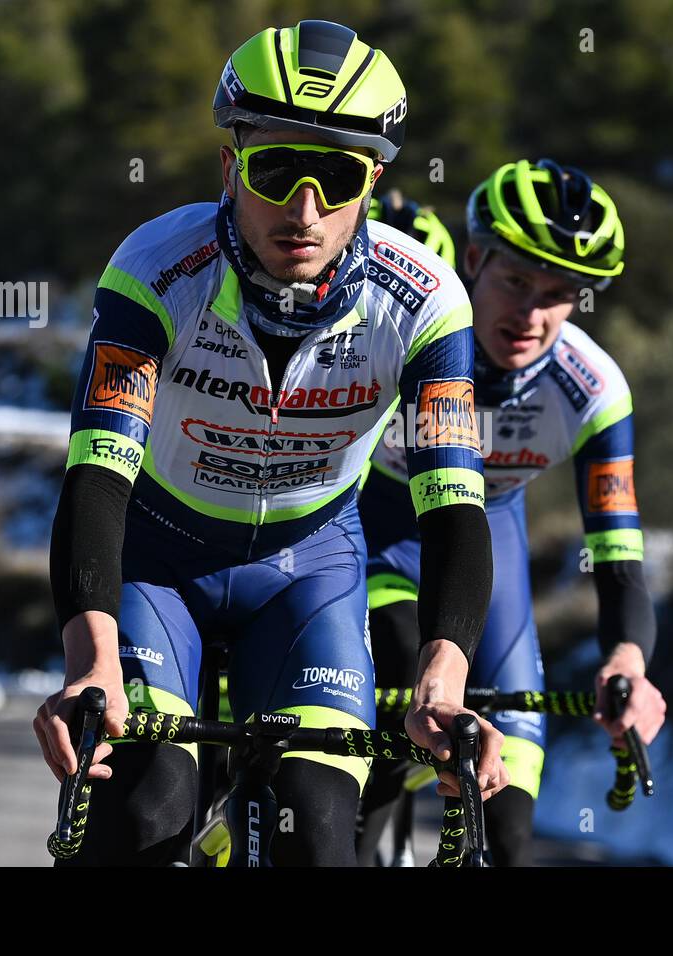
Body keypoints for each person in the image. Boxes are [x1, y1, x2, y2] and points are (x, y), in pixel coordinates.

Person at [34, 19, 507, 867]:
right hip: (156, 561)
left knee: (321, 832)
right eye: (277, 169)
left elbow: (454, 506)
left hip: (311, 570)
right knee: (146, 809)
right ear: (229, 168)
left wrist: (445, 672)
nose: (305, 209)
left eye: (337, 177)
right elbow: (98, 475)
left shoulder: (427, 303)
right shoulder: (154, 271)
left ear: (373, 182)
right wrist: (91, 656)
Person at [357, 162, 667, 867]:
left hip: (490, 563)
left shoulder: (592, 392)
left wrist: (627, 661)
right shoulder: (409, 341)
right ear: (474, 260)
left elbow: (619, 563)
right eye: (516, 282)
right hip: (380, 539)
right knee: (395, 701)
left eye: (559, 294)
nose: (531, 314)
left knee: (510, 833)